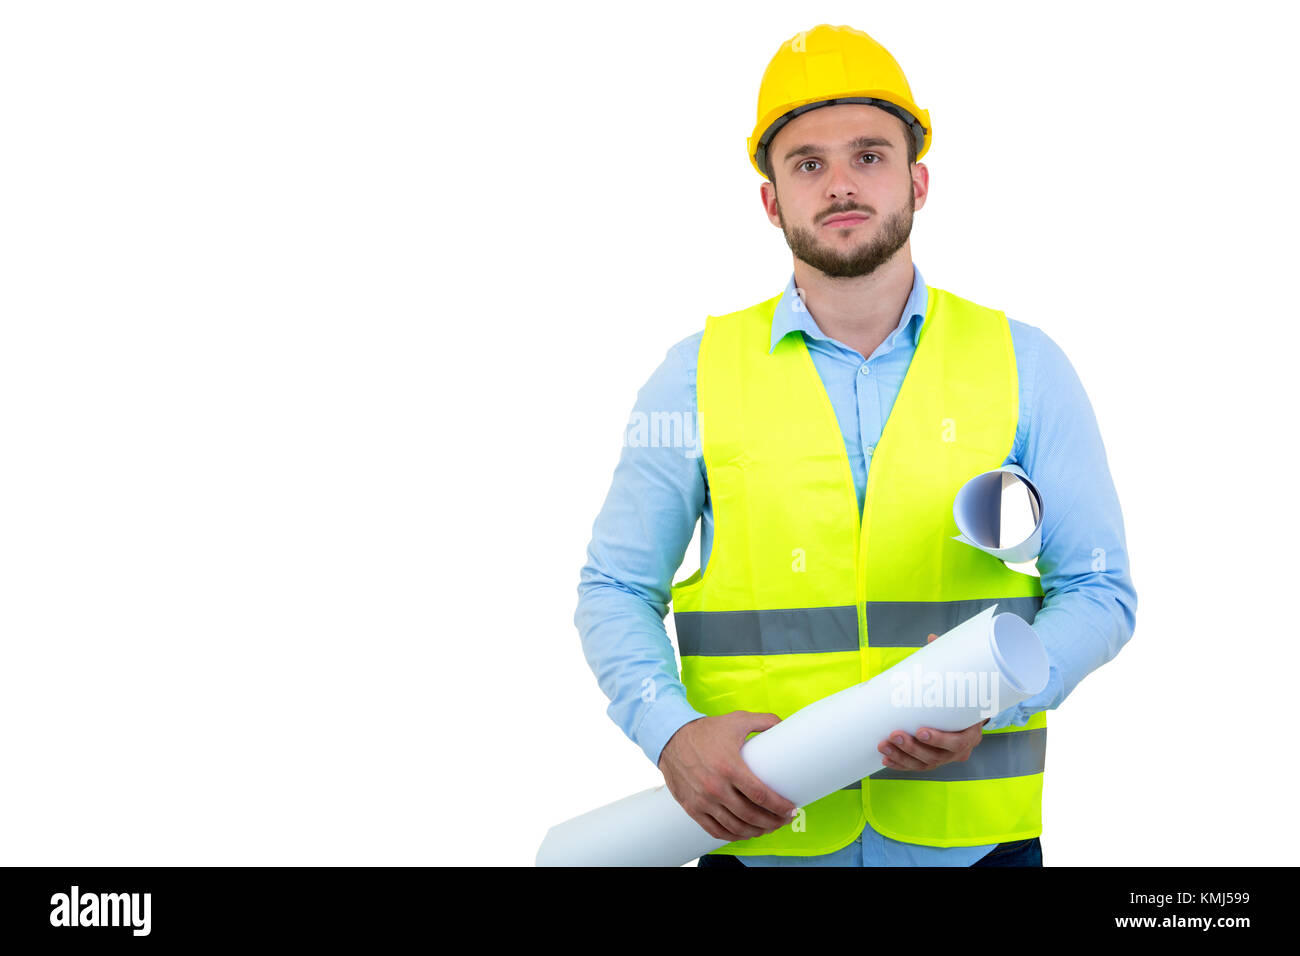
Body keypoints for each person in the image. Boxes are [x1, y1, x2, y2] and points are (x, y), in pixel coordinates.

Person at [573, 23, 1137, 867]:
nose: (840, 184)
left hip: (976, 850)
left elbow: (1099, 588)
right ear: (771, 200)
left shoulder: (1026, 365)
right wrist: (672, 733)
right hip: (767, 845)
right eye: (808, 163)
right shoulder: (692, 379)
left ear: (917, 180)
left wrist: (1002, 696)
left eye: (869, 155)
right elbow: (614, 587)